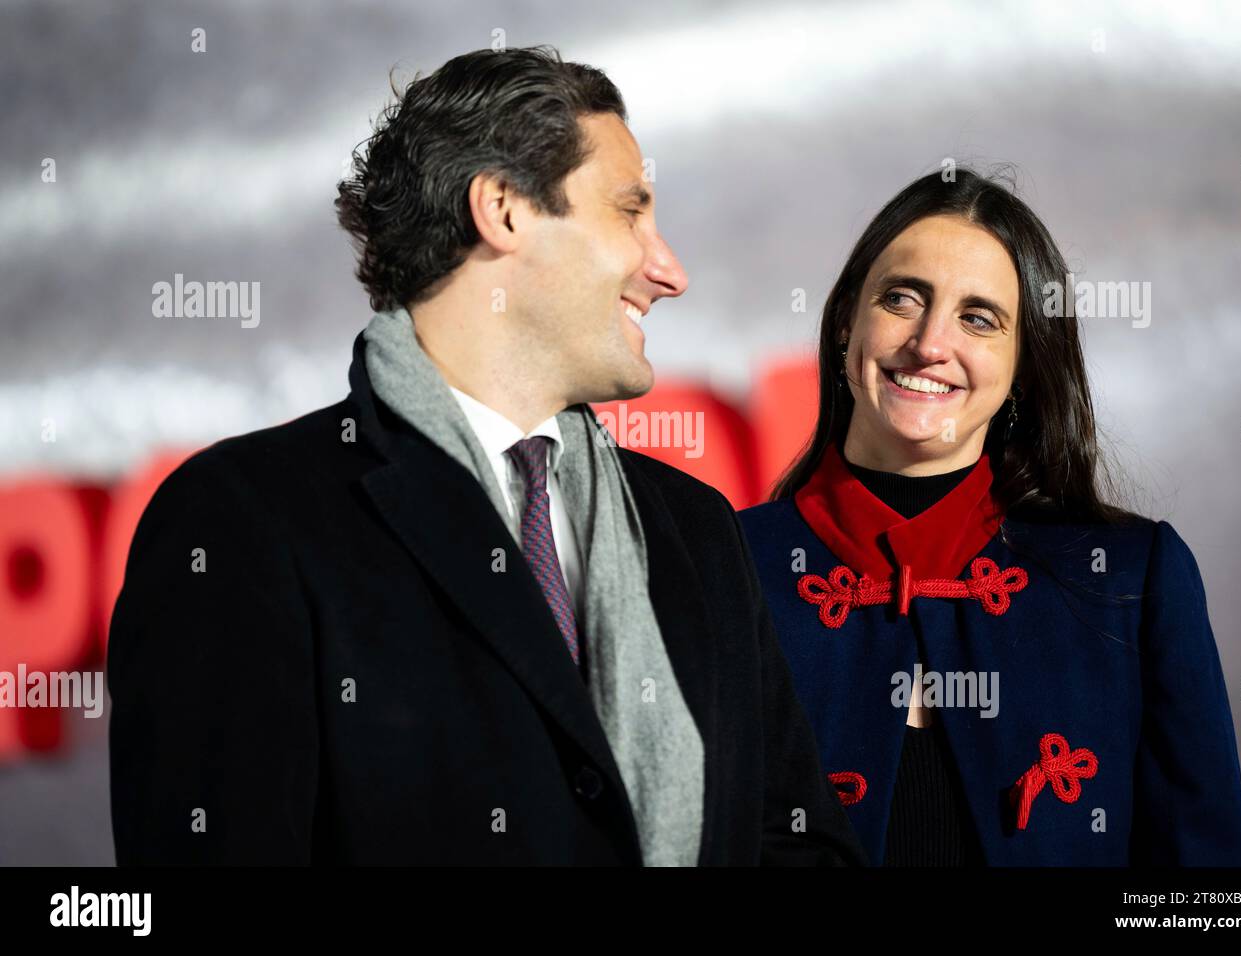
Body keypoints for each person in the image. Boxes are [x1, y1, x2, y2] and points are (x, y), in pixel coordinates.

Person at [107, 46, 863, 866]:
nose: (668, 270)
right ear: (503, 209)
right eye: (629, 211)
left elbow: (800, 845)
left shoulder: (696, 532)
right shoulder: (241, 521)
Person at [738, 167, 1241, 866]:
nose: (930, 343)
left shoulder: (1133, 582)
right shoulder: (718, 563)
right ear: (846, 321)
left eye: (979, 319)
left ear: (1022, 365)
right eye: (901, 298)